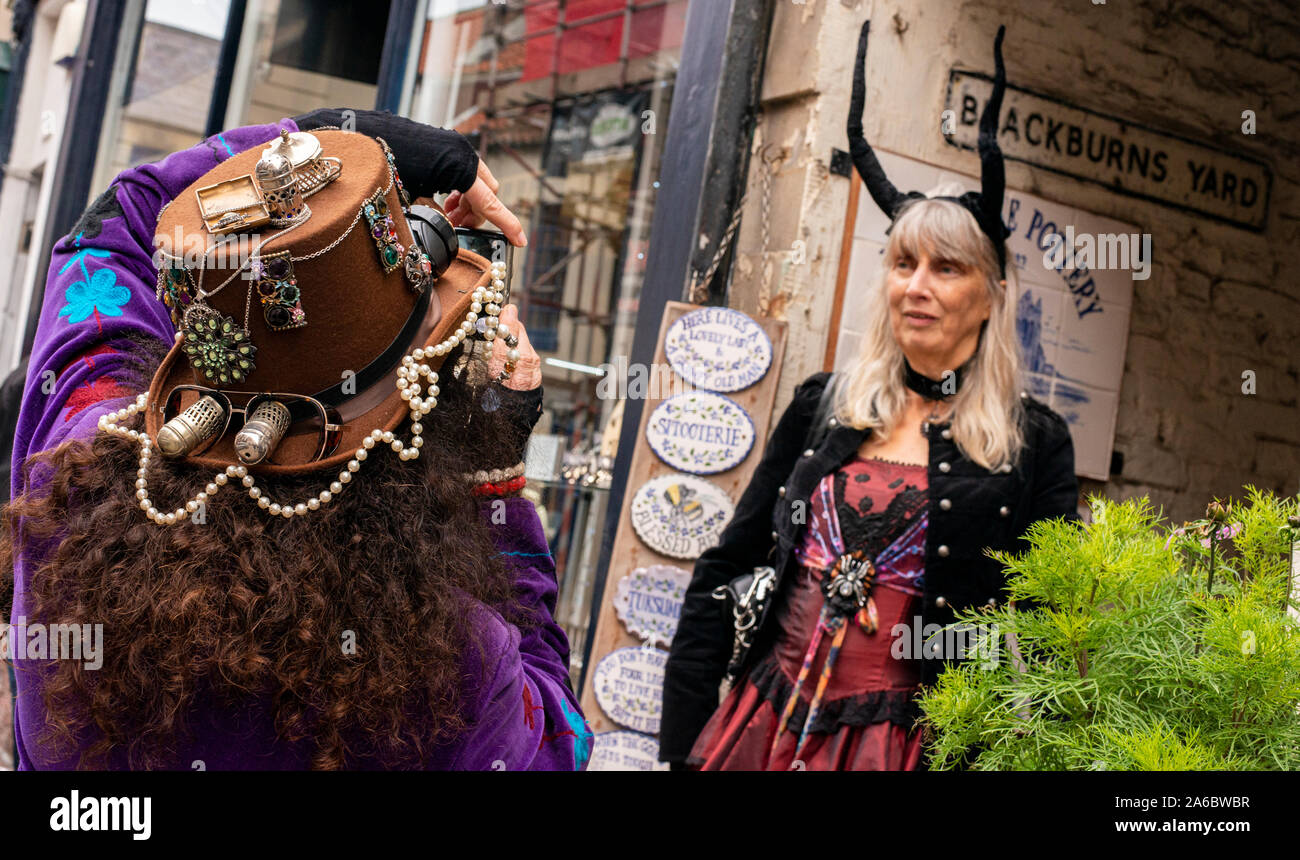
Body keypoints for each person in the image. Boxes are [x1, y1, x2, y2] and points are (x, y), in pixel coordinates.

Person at [1, 110, 591, 770]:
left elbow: (114, 230)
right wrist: (499, 476)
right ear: (419, 417)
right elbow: (558, 742)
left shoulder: (76, 485)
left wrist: (316, 144)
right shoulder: (452, 667)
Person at [659, 22, 1080, 771]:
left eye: (946, 269)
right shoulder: (828, 405)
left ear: (990, 296)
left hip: (904, 749)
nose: (916, 287)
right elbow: (725, 568)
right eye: (903, 263)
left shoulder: (1033, 444)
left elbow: (1050, 635)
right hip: (760, 727)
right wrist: (684, 738)